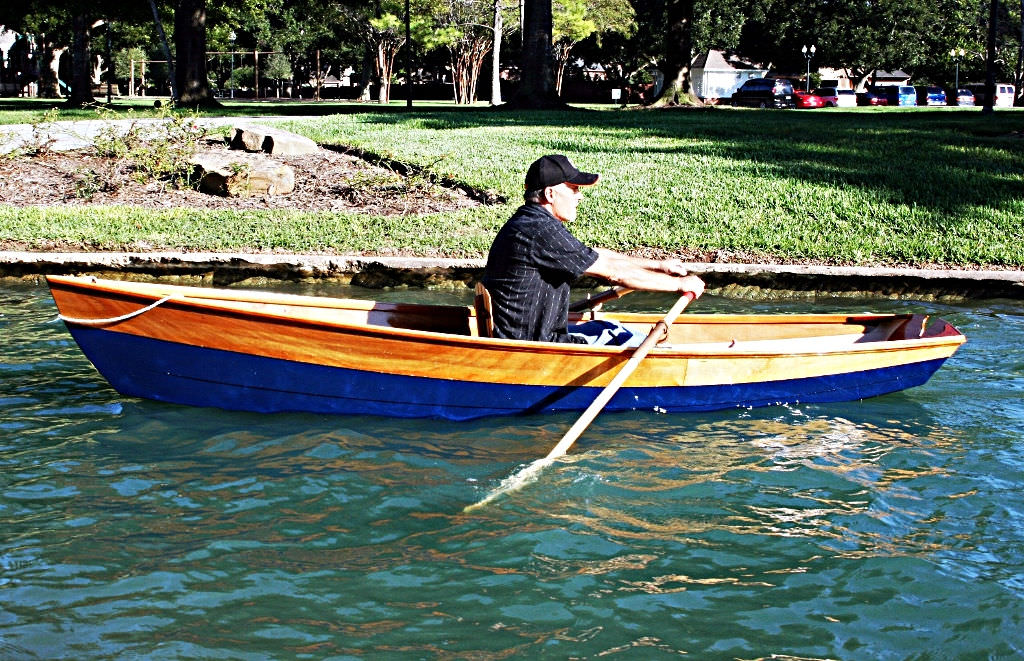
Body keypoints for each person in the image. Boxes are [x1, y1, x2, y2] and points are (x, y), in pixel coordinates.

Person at [481, 154, 705, 345]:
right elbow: (614, 273)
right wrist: (679, 284)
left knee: (607, 326)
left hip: (521, 335)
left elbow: (595, 256)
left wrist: (657, 265)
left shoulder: (529, 222)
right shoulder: (541, 231)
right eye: (574, 189)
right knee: (621, 337)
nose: (580, 196)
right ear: (550, 194)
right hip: (536, 345)